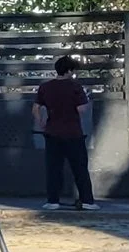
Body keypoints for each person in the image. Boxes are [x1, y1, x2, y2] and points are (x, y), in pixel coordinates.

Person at [32, 54, 95, 210]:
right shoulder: (76, 87)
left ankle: (52, 201)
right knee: (80, 168)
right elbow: (81, 109)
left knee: (53, 168)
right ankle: (87, 201)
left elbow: (35, 108)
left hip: (52, 132)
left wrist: (41, 122)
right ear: (69, 70)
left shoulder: (45, 87)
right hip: (73, 133)